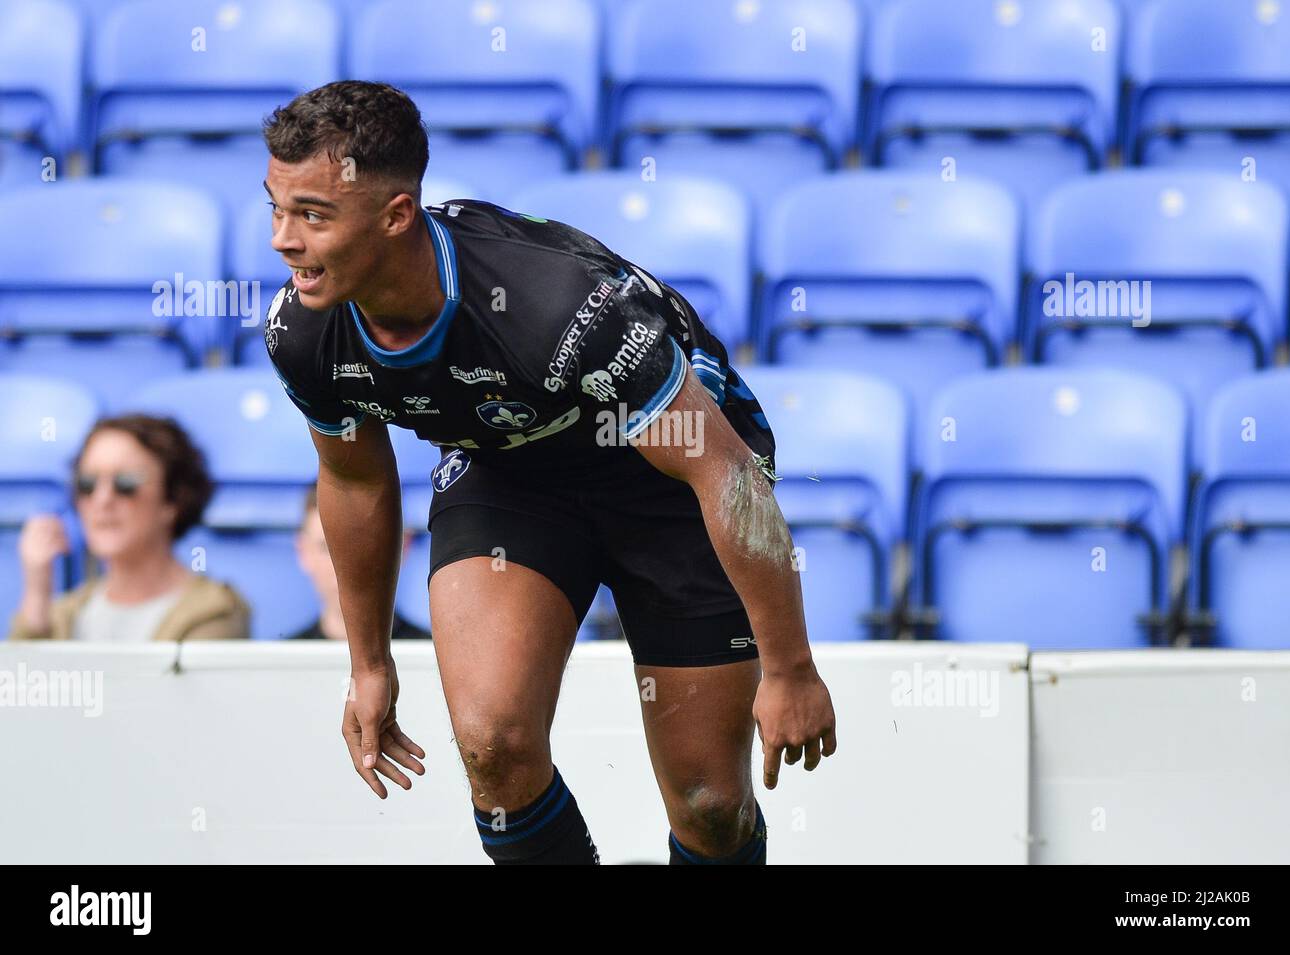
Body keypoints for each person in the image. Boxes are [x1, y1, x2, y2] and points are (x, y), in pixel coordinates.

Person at [261, 80, 835, 865]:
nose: (282, 241)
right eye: (276, 208)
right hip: (512, 470)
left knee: (711, 806)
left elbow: (724, 473)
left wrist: (791, 667)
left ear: (395, 216)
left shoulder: (556, 307)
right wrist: (369, 662)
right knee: (492, 745)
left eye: (312, 215)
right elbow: (357, 482)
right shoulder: (304, 329)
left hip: (666, 487)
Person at [8, 414, 250, 642]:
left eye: (125, 483)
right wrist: (36, 597)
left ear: (173, 499)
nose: (102, 499)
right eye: (87, 484)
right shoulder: (63, 613)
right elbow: (25, 684)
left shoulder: (214, 610)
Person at [289, 482, 425, 641]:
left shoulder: (438, 660)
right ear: (303, 551)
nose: (347, 569)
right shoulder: (279, 662)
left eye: (365, 545)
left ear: (402, 547)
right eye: (328, 548)